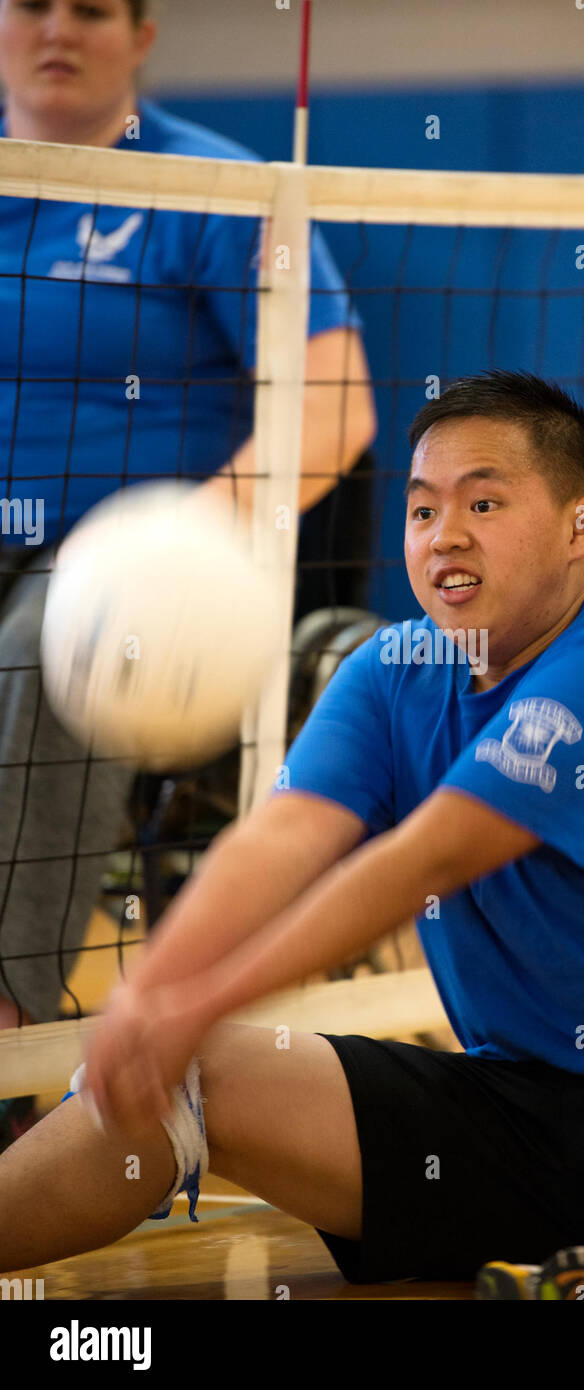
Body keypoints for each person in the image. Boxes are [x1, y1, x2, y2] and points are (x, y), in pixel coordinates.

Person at [1, 370, 584, 1301]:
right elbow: (281, 841)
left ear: (581, 526)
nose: (444, 535)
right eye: (421, 511)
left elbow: (433, 853)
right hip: (515, 1124)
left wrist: (198, 993)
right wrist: (159, 997)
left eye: (483, 502)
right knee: (185, 1070)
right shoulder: (389, 671)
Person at [0, 0, 378, 1130]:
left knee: (48, 648)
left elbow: (338, 396)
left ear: (142, 34)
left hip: (143, 574)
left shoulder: (210, 189)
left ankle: (9, 1037)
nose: (59, 28)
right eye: (33, 4)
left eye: (93, 7)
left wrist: (181, 538)